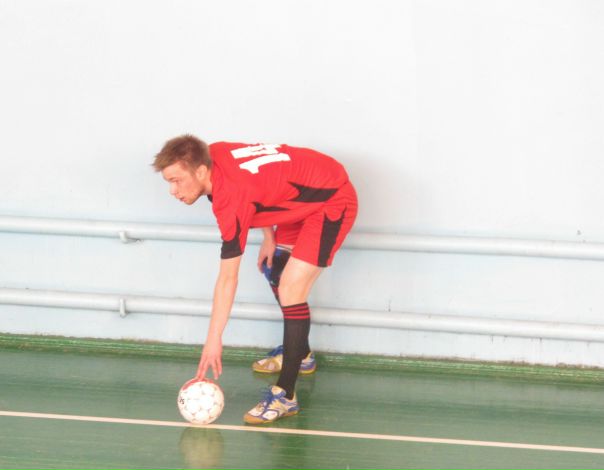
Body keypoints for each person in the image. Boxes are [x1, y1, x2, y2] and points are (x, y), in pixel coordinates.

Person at [152, 135, 358, 424]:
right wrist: (269, 236)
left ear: (200, 171)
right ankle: (301, 354)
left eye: (176, 181)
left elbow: (228, 278)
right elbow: (265, 184)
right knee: (276, 268)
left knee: (291, 290)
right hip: (301, 198)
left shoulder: (229, 199)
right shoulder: (211, 154)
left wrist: (213, 339)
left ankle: (285, 395)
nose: (173, 191)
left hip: (331, 200)